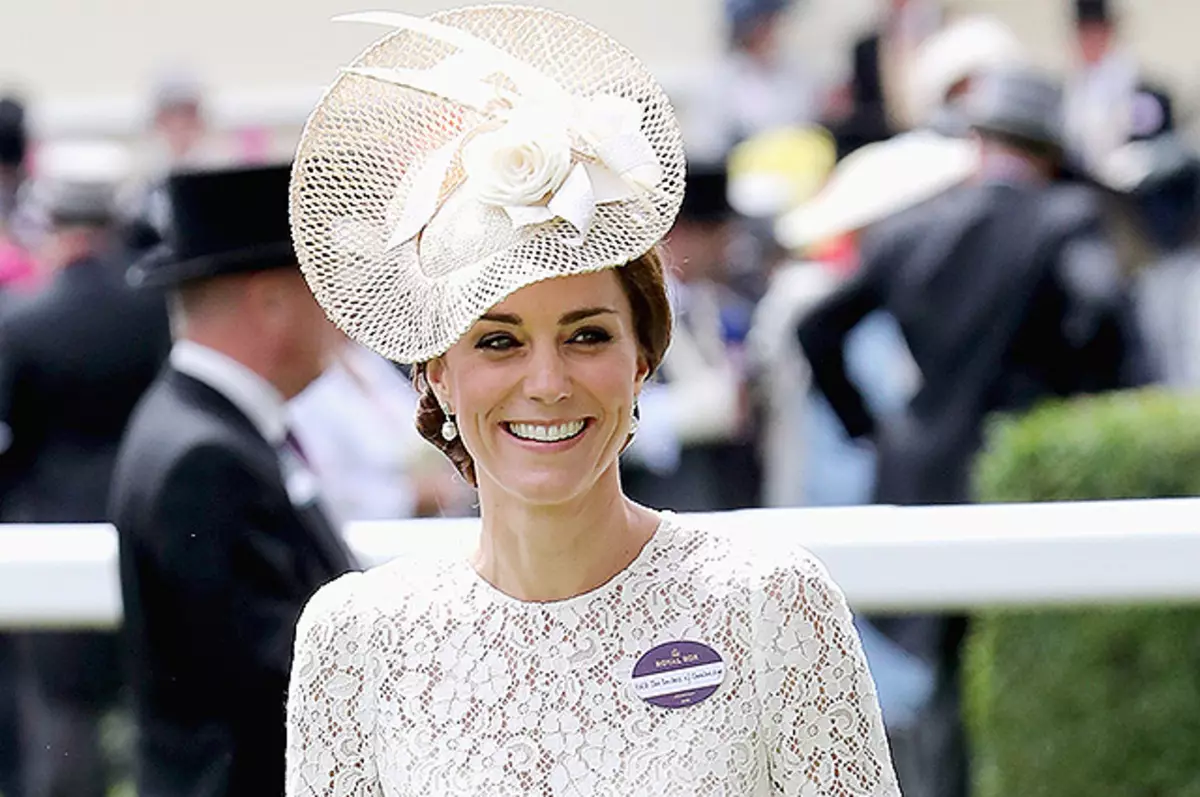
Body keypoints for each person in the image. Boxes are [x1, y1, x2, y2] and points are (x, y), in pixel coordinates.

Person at [284, 6, 899, 795]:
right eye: (499, 341)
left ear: (643, 358)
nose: (546, 381)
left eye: (586, 336)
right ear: (438, 370)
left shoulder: (768, 603)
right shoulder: (358, 638)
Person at [797, 67, 1149, 797]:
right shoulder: (1065, 220)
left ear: (979, 142)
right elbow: (1103, 312)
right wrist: (1082, 400)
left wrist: (871, 426)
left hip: (922, 481)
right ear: (1049, 150)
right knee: (1021, 676)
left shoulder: (909, 232)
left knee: (944, 682)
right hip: (1024, 483)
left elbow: (816, 327)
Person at [109, 163, 357, 797]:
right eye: (320, 287)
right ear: (271, 300)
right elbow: (279, 668)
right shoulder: (204, 457)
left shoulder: (207, 430)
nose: (338, 312)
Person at [0, 139, 170, 797]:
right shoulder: (155, 311)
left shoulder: (26, 321)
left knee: (63, 721)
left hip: (50, 525)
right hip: (147, 514)